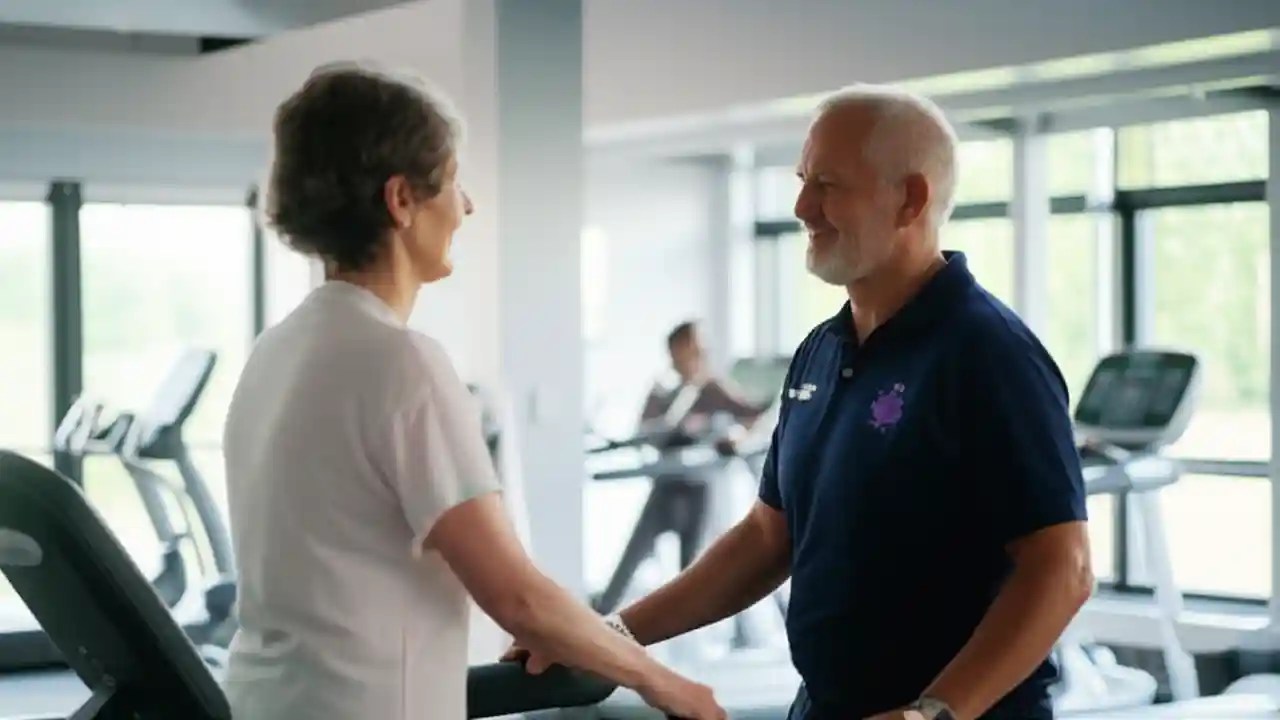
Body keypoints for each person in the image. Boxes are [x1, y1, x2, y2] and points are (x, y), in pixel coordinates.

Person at [511, 85, 1094, 719]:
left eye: (828, 184)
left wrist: (935, 712)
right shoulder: (821, 350)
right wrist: (607, 636)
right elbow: (769, 537)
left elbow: (1061, 566)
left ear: (911, 198)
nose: (801, 207)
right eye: (801, 181)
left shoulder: (989, 353)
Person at [220, 61, 726, 720]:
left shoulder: (277, 349)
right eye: (454, 182)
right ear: (401, 200)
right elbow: (517, 598)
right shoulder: (401, 363)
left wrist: (572, 633)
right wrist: (668, 684)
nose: (466, 205)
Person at [638, 320, 767, 451]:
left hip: (712, 466)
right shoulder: (661, 392)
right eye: (694, 351)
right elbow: (646, 433)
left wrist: (740, 436)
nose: (702, 358)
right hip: (670, 466)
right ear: (674, 353)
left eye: (703, 352)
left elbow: (755, 419)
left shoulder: (714, 390)